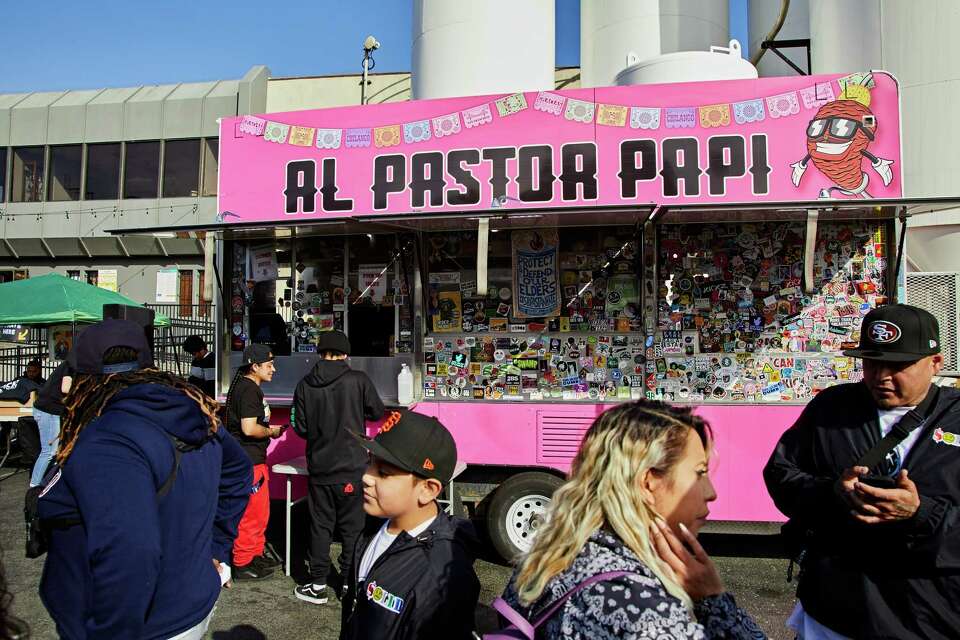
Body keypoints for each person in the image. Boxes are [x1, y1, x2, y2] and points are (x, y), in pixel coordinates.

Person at [37, 319, 252, 639]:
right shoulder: (194, 414)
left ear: (85, 379)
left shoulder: (109, 439)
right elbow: (239, 471)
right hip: (188, 608)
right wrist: (216, 547)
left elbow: (130, 552)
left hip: (146, 626)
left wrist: (217, 545)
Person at [764, 304, 960, 639]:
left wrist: (921, 514)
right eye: (871, 362)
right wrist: (831, 493)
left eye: (897, 365)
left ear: (936, 362)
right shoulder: (832, 408)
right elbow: (781, 476)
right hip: (831, 616)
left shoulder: (955, 416)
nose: (881, 376)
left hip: (929, 620)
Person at [500, 400, 765, 639]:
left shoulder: (545, 560)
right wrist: (714, 599)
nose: (711, 493)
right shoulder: (648, 615)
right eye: (700, 473)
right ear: (648, 483)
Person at [340, 409, 480, 640]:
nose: (366, 476)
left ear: (427, 489)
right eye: (369, 462)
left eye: (383, 473)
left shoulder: (443, 576)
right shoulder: (373, 525)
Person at [291, 331, 384, 604]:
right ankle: (349, 584)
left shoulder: (304, 384)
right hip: (353, 468)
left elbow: (300, 427)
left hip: (320, 469)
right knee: (352, 529)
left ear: (321, 353)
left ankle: (318, 584)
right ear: (345, 354)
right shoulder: (358, 380)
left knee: (320, 526)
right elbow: (377, 412)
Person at [225, 343, 283, 581]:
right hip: (249, 460)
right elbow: (249, 429)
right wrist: (271, 432)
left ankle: (255, 554)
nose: (273, 369)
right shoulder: (249, 390)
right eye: (269, 365)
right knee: (252, 513)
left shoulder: (245, 387)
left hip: (251, 459)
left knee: (260, 512)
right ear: (254, 366)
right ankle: (243, 562)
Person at [29, 360, 72, 487]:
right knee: (49, 452)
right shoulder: (73, 364)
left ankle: (43, 484)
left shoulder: (71, 363)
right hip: (48, 410)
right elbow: (65, 388)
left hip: (49, 410)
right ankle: (34, 486)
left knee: (53, 452)